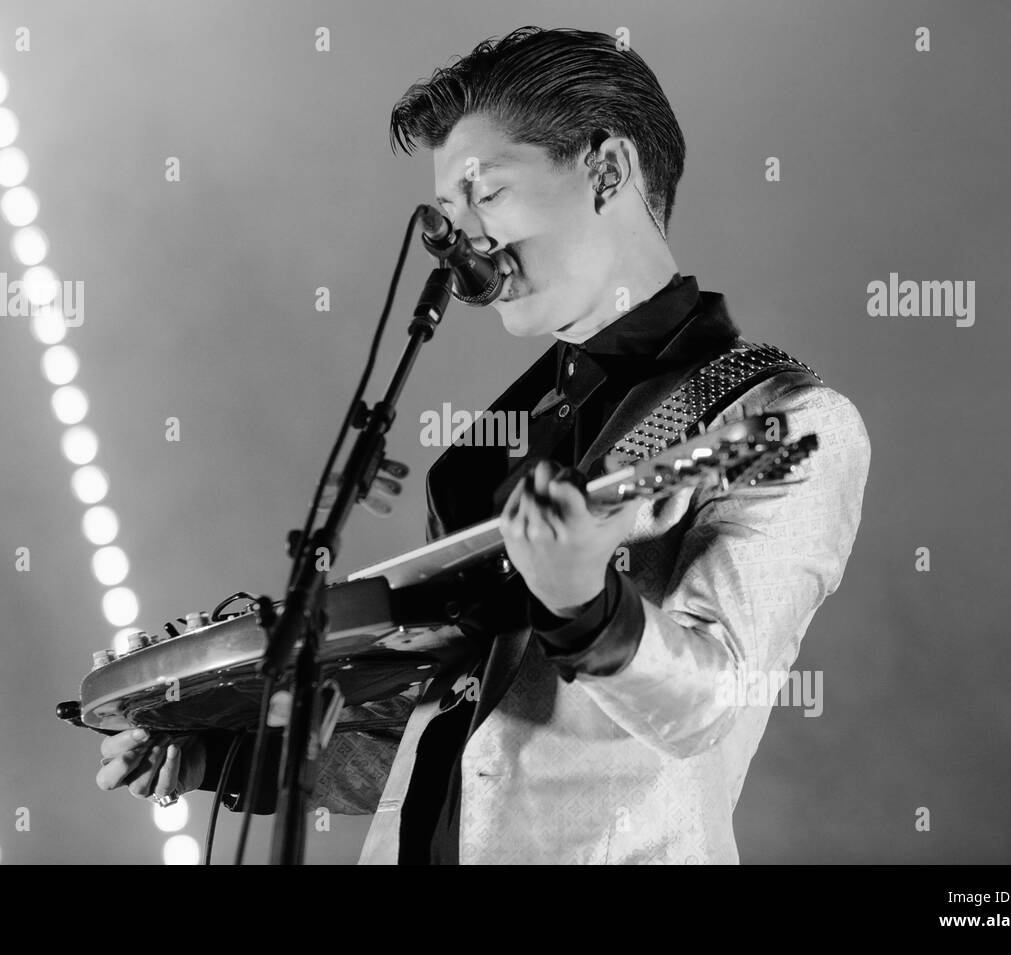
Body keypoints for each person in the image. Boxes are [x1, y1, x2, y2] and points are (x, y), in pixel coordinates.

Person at [96, 26, 871, 864]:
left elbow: (714, 699)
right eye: (450, 213)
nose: (462, 242)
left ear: (607, 170)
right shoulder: (498, 443)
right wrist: (223, 756)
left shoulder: (788, 419)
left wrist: (589, 607)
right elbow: (461, 734)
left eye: (488, 194)